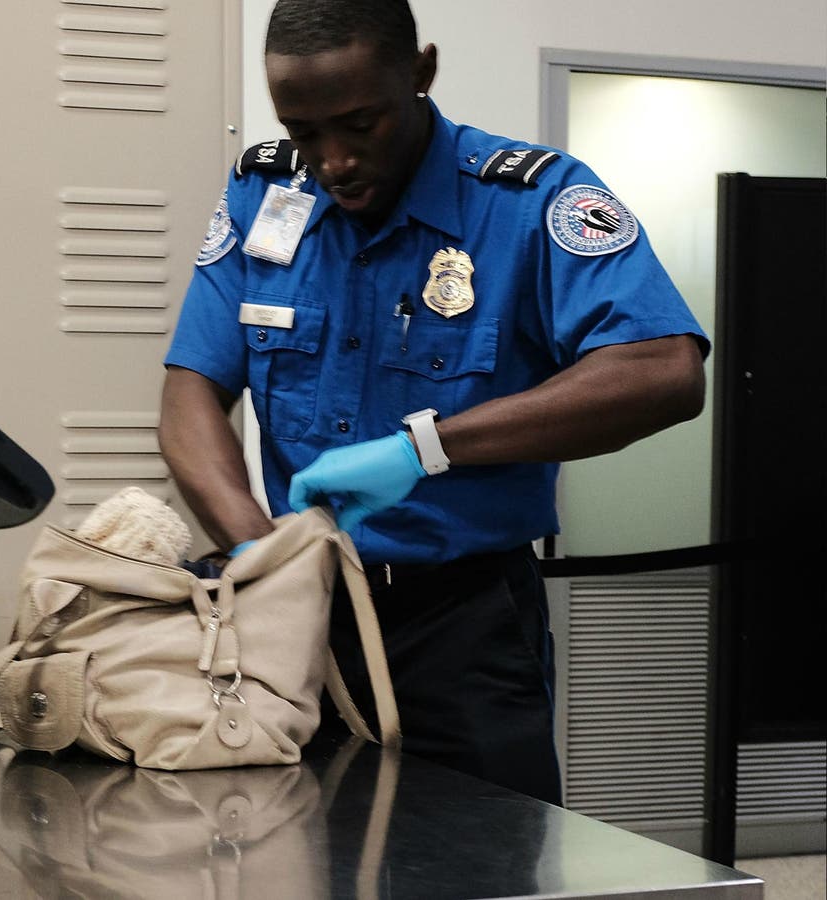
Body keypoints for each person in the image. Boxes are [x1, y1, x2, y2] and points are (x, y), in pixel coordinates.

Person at [158, 0, 708, 806]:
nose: (333, 161)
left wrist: (427, 448)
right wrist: (256, 551)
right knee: (290, 850)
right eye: (304, 133)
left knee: (488, 855)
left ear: (422, 73)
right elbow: (189, 392)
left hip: (464, 627)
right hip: (297, 613)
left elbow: (664, 370)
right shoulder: (265, 193)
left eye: (360, 125)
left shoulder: (529, 200)